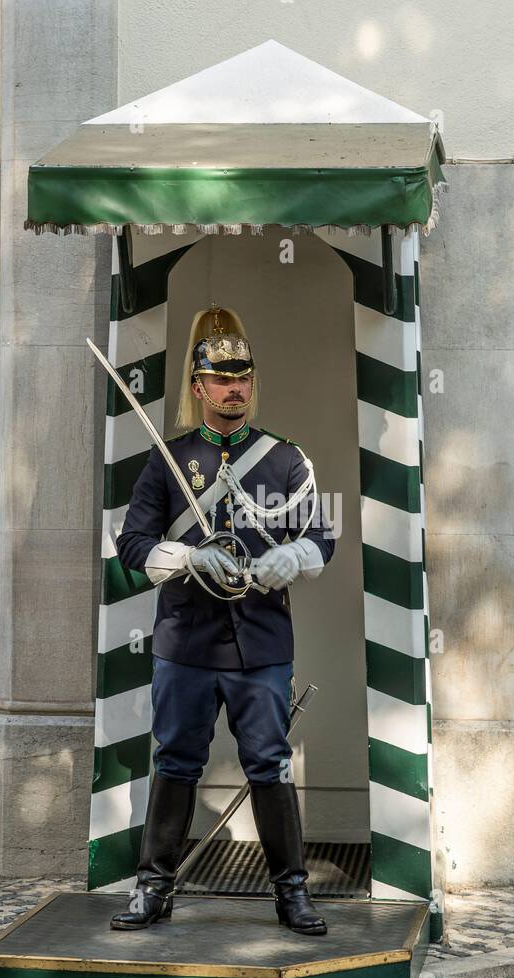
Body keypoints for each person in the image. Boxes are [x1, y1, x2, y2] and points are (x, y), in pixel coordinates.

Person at [110, 304, 335, 935]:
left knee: (268, 763)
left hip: (261, 643)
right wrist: (185, 555)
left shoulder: (286, 460)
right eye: (222, 378)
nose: (235, 388)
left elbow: (322, 539)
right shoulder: (169, 459)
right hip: (185, 640)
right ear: (200, 385)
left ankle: (291, 893)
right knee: (176, 761)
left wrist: (289, 558)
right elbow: (131, 544)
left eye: (244, 378)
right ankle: (155, 888)